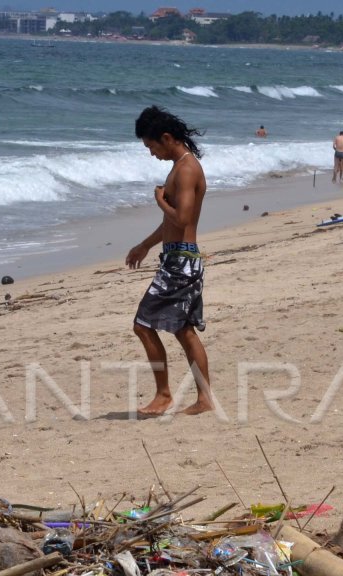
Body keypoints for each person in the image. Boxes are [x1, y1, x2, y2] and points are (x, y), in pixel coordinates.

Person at [125, 106, 213, 417]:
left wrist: (160, 201)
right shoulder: (180, 166)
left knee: (143, 325)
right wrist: (145, 245)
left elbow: (183, 216)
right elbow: (172, 225)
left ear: (165, 137)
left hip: (180, 264)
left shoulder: (186, 169)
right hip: (180, 260)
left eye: (151, 147)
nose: (151, 154)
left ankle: (163, 396)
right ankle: (204, 399)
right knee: (183, 330)